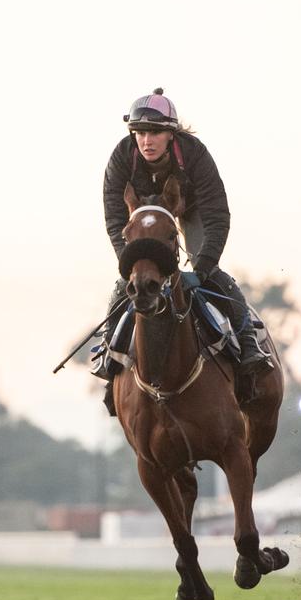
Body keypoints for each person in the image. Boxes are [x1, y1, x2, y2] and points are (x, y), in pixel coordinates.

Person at [94, 88, 274, 415]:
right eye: (140, 134)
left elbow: (218, 216)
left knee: (214, 277)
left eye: (156, 133)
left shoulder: (194, 155)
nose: (147, 141)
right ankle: (110, 359)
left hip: (191, 210)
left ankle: (249, 348)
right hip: (143, 216)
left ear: (171, 134)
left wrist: (202, 268)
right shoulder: (122, 156)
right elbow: (114, 218)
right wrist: (130, 263)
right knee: (126, 286)